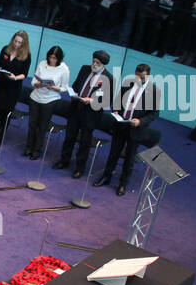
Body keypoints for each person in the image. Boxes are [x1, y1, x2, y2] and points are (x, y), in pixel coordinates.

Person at [93, 63, 159, 195]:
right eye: (138, 77)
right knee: (113, 154)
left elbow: (154, 113)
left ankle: (123, 183)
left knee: (129, 158)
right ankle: (106, 177)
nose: (140, 80)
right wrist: (116, 110)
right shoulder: (127, 84)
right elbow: (117, 102)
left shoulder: (154, 91)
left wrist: (140, 121)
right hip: (121, 125)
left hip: (136, 129)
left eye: (143, 78)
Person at [57, 49, 113, 177]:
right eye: (93, 61)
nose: (94, 64)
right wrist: (74, 94)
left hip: (91, 113)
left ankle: (79, 168)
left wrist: (92, 100)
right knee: (70, 136)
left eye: (97, 63)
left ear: (103, 64)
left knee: (84, 141)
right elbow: (76, 85)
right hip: (76, 107)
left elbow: (106, 101)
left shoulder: (109, 78)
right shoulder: (85, 69)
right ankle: (64, 160)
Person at [25, 45, 70, 159]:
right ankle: (28, 147)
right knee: (32, 124)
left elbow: (64, 88)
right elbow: (33, 81)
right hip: (36, 97)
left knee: (42, 126)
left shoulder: (64, 69)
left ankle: (37, 149)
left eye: (55, 58)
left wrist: (54, 88)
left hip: (50, 99)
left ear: (59, 59)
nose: (52, 60)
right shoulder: (42, 63)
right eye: (50, 57)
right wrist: (38, 84)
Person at [0, 30, 30, 146]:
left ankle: (1, 136)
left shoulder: (26, 56)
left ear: (24, 44)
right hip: (1, 84)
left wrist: (15, 77)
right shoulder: (5, 49)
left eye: (19, 42)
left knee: (6, 112)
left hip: (13, 87)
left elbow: (25, 74)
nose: (16, 44)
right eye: (15, 41)